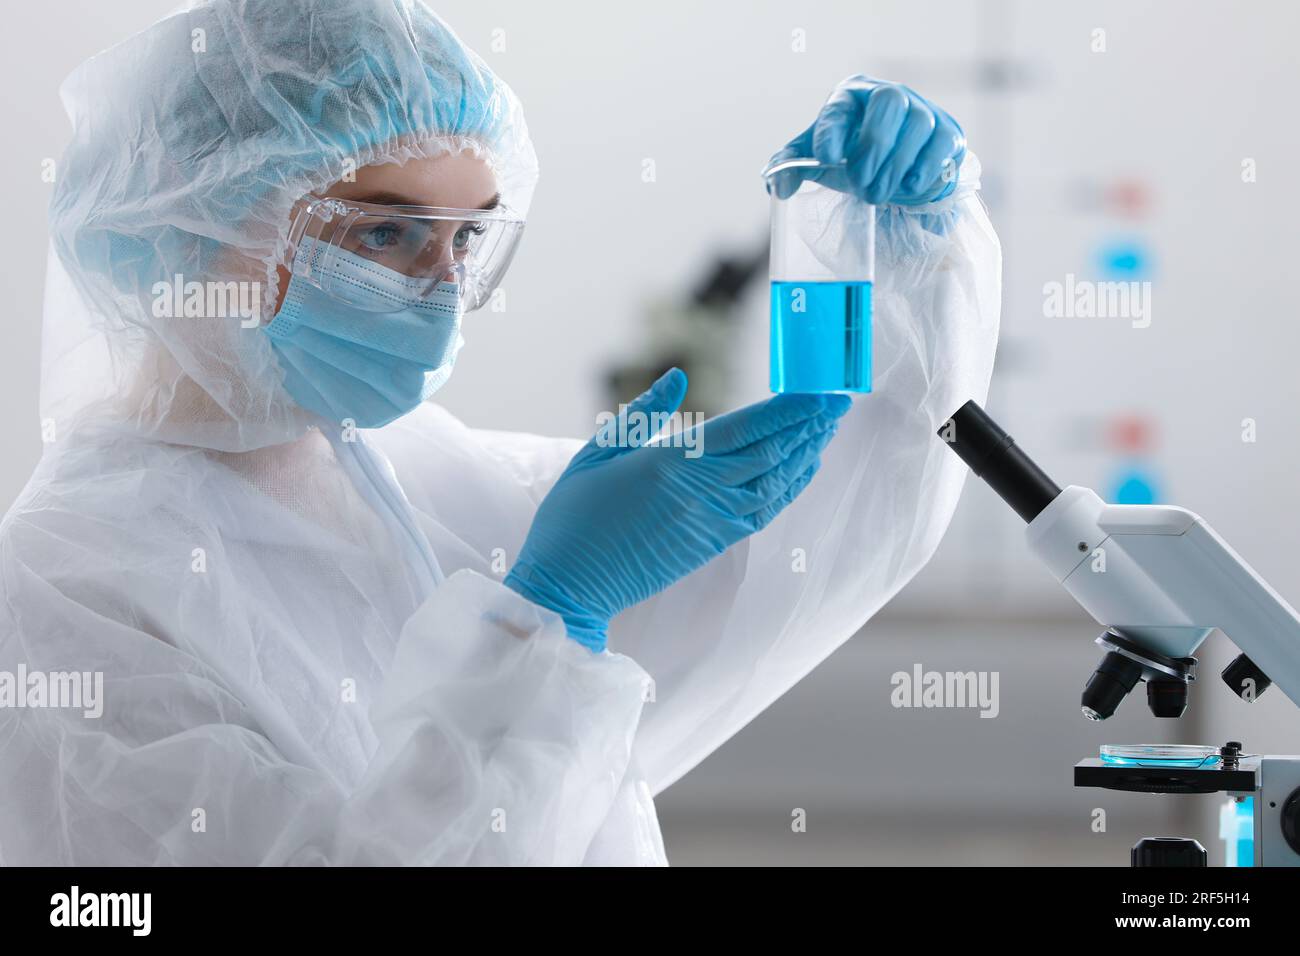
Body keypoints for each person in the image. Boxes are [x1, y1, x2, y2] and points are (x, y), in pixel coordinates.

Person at [0, 0, 999, 865]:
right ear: (186, 228)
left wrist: (885, 235)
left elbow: (808, 535)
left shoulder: (421, 484)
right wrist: (550, 618)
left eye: (467, 236)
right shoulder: (63, 599)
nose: (442, 287)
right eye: (384, 232)